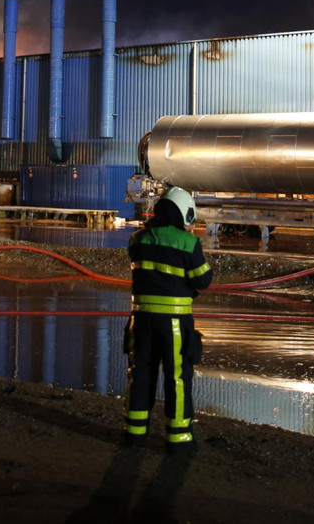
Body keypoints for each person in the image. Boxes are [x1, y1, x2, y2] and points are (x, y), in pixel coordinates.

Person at [124, 186, 212, 453]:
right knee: (177, 377)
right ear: (184, 214)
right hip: (174, 323)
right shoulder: (188, 242)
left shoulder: (138, 239)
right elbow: (203, 280)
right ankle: (178, 437)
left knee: (140, 373)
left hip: (140, 320)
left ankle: (134, 433)